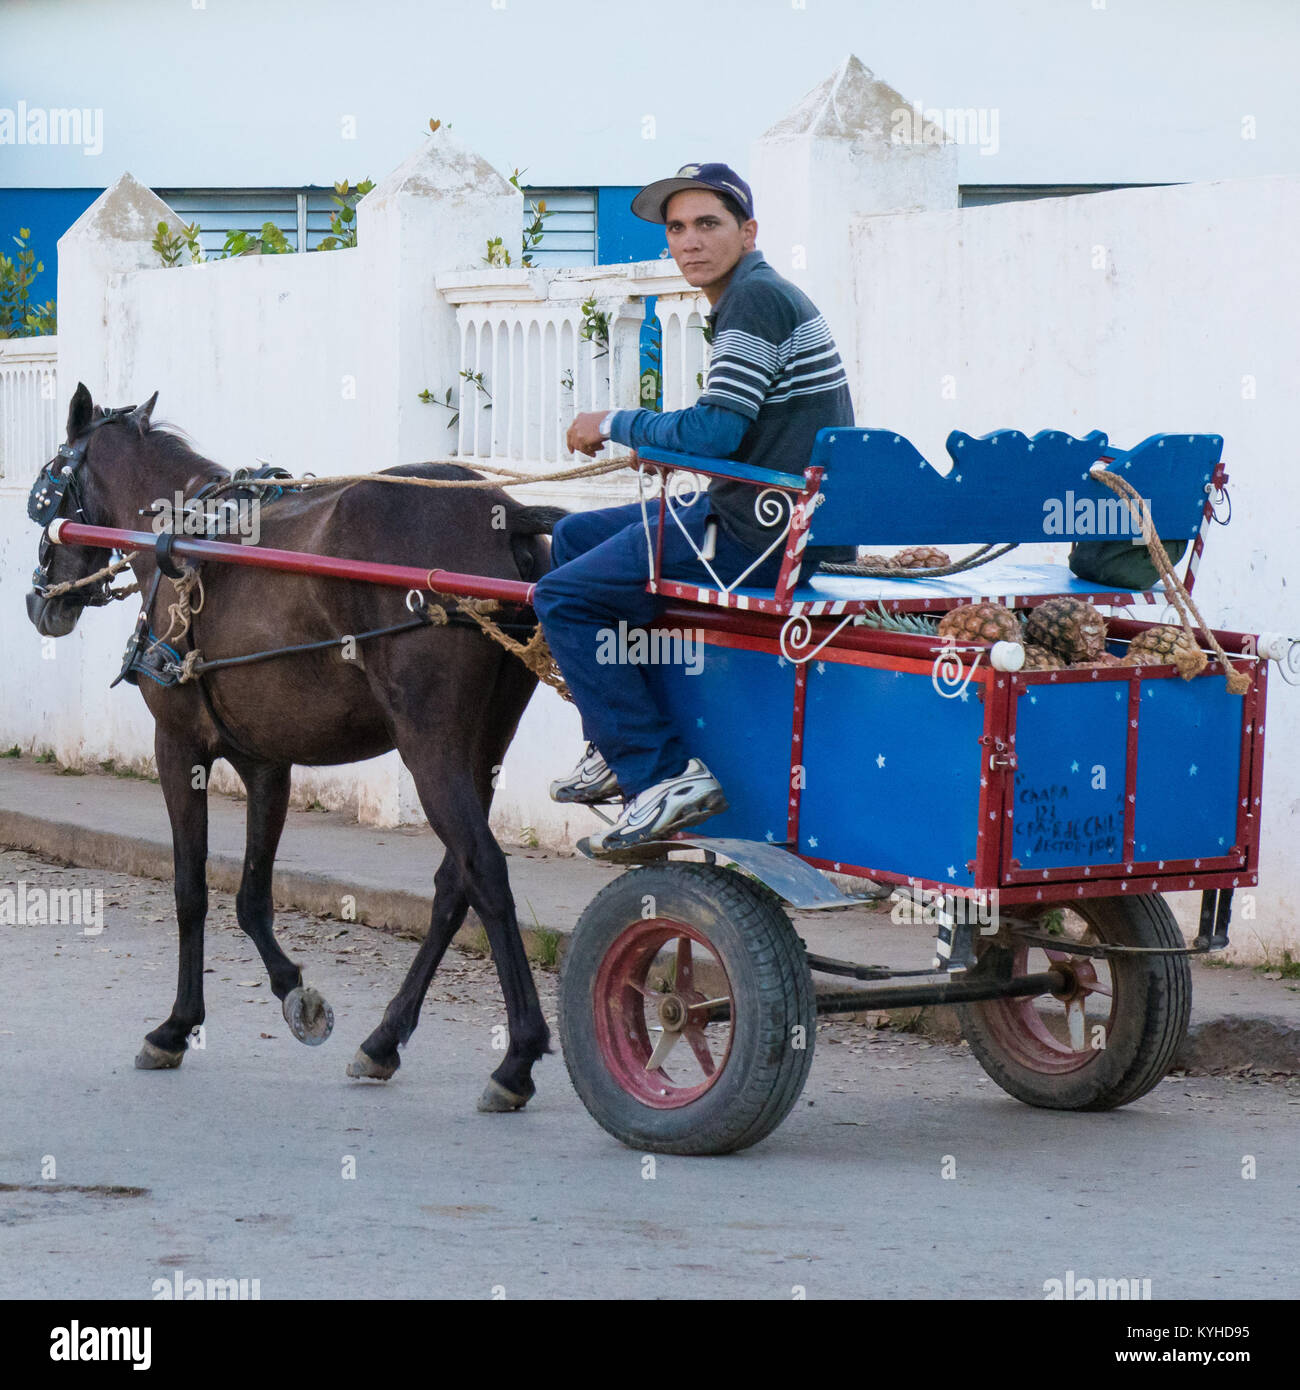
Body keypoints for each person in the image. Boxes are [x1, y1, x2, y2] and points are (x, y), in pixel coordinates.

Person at [532, 162, 854, 852]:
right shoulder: (753, 297)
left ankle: (659, 773)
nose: (689, 242)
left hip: (760, 537)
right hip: (777, 520)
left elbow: (715, 430)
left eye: (708, 224)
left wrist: (615, 421)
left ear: (748, 231)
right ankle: (615, 743)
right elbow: (732, 433)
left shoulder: (756, 301)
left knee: (561, 598)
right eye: (676, 228)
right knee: (572, 538)